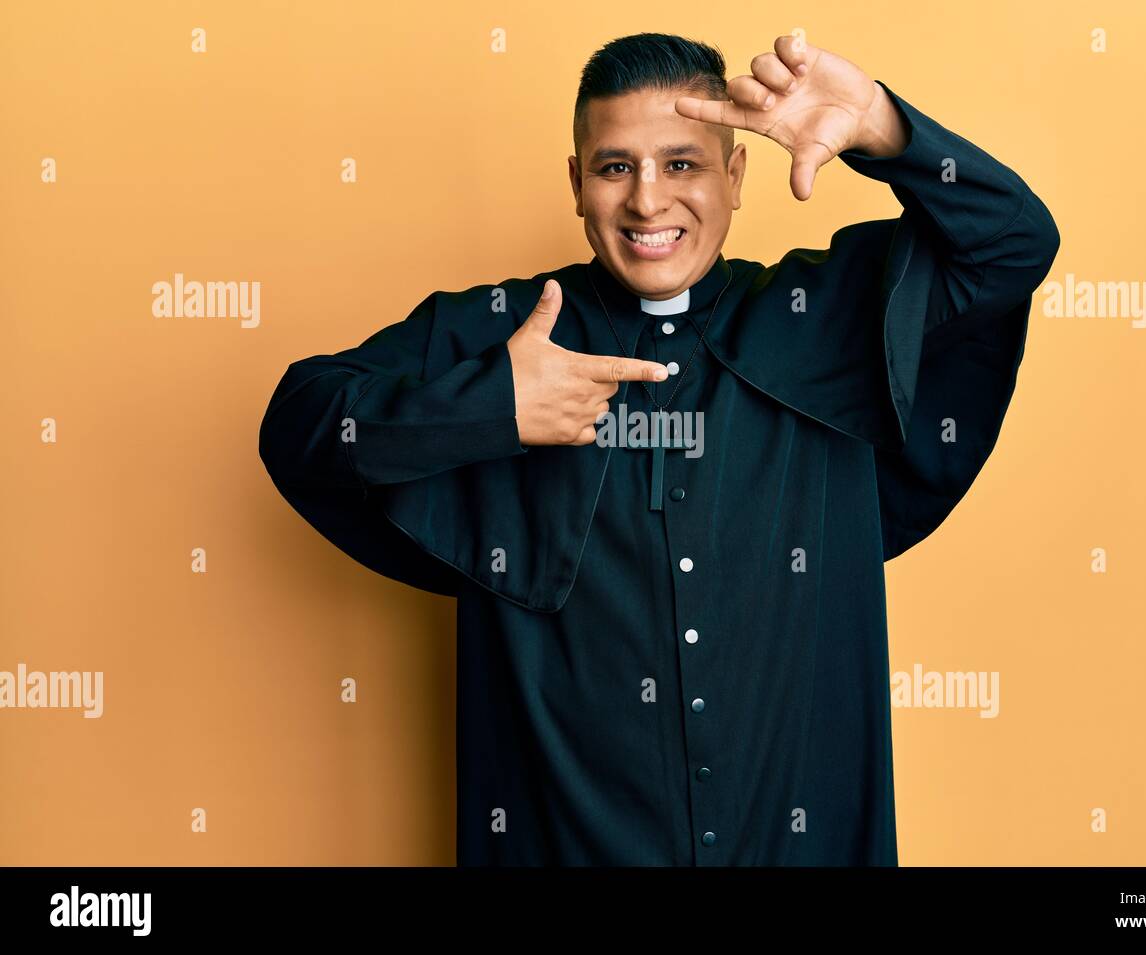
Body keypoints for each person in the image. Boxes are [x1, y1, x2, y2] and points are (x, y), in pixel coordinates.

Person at [258, 32, 1060, 865]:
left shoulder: (820, 316)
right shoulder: (500, 331)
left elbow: (1012, 244)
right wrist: (489, 405)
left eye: (682, 165)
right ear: (577, 185)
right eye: (614, 167)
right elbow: (298, 424)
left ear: (735, 176)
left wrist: (884, 128)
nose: (648, 201)